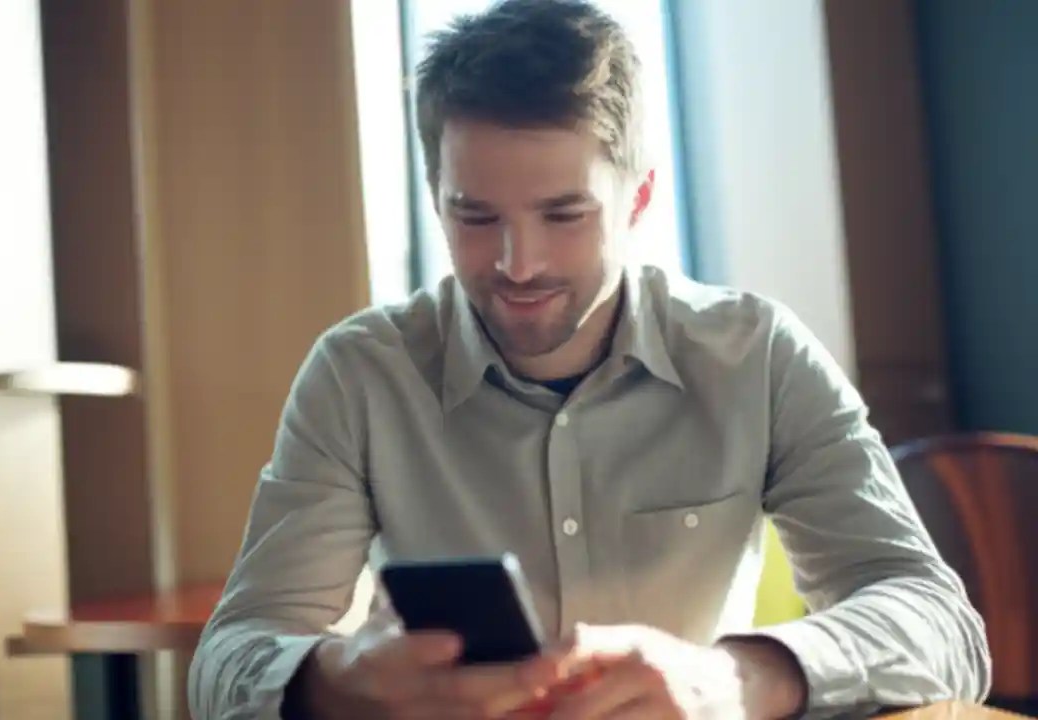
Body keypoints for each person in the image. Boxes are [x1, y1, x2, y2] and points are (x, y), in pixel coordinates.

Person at [188, 1, 990, 717]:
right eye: (474, 216)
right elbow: (230, 657)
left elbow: (939, 622)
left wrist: (730, 680)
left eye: (564, 214)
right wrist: (335, 680)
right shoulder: (360, 373)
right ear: (436, 194)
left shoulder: (759, 355)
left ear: (638, 196)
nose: (519, 263)